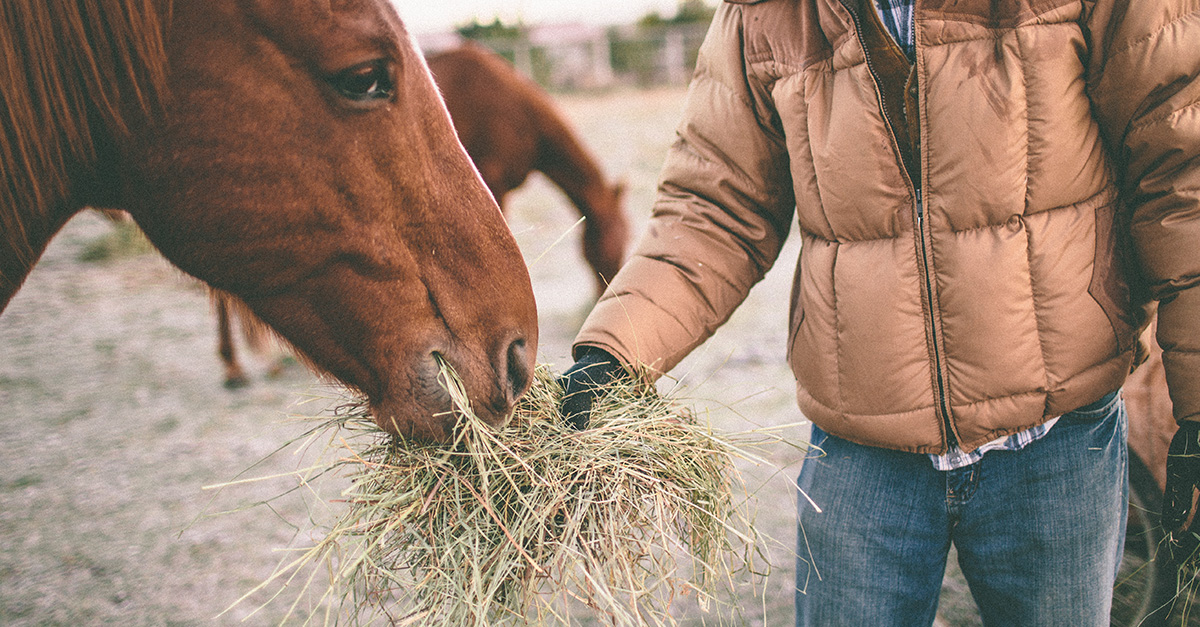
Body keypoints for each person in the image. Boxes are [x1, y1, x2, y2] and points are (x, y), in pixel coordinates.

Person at [559, 0, 1200, 624]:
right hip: (862, 451)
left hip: (1056, 437)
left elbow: (1181, 171)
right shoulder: (761, 14)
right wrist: (614, 350)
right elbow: (715, 210)